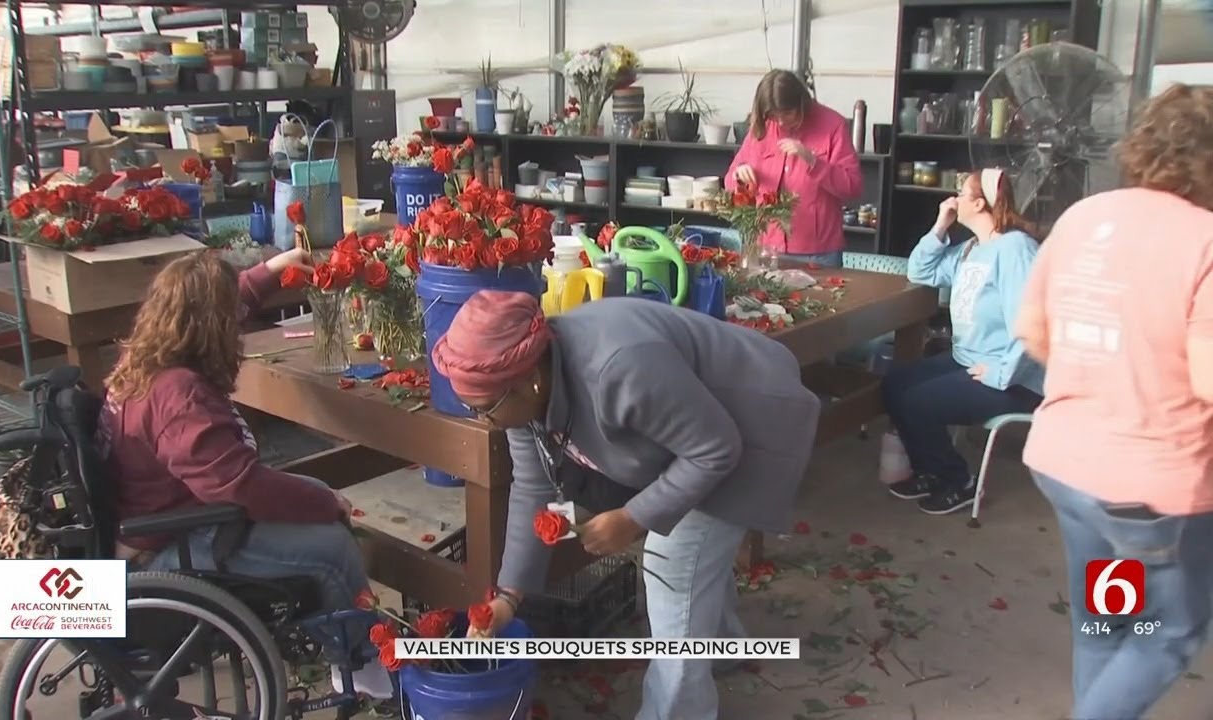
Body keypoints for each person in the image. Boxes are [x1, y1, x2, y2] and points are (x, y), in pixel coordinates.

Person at [431, 290, 820, 720]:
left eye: (485, 409)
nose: (482, 420)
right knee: (691, 565)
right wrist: (509, 595)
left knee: (671, 562)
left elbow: (715, 450)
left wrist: (633, 518)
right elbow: (532, 486)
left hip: (752, 423)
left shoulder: (618, 367)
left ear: (530, 382)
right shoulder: (522, 383)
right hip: (693, 434)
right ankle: (720, 649)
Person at [96, 249, 396, 709]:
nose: (238, 326)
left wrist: (275, 269)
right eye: (230, 321)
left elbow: (221, 298)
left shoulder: (143, 361)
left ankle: (334, 632)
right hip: (171, 543)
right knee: (334, 550)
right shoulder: (178, 396)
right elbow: (239, 486)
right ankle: (360, 665)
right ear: (211, 328)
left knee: (315, 493)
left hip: (167, 517)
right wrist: (326, 506)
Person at [1014, 83, 1213, 720]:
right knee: (1169, 636)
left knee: (1108, 621)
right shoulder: (1208, 239)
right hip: (1151, 495)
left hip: (1070, 469)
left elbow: (1033, 332)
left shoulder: (1085, 216)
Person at [881, 169, 1044, 515]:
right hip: (968, 360)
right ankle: (928, 469)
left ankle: (959, 481)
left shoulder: (1015, 249)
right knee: (896, 383)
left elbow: (1033, 321)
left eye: (960, 192)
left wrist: (1000, 372)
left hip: (1012, 377)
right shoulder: (971, 248)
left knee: (919, 401)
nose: (952, 198)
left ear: (979, 202)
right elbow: (919, 272)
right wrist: (941, 225)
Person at [724, 69, 862, 267]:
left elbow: (853, 186)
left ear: (801, 102)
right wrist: (739, 176)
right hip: (767, 247)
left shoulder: (833, 125)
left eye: (787, 113)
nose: (780, 121)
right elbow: (730, 179)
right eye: (773, 115)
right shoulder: (762, 128)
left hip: (817, 253)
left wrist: (813, 161)